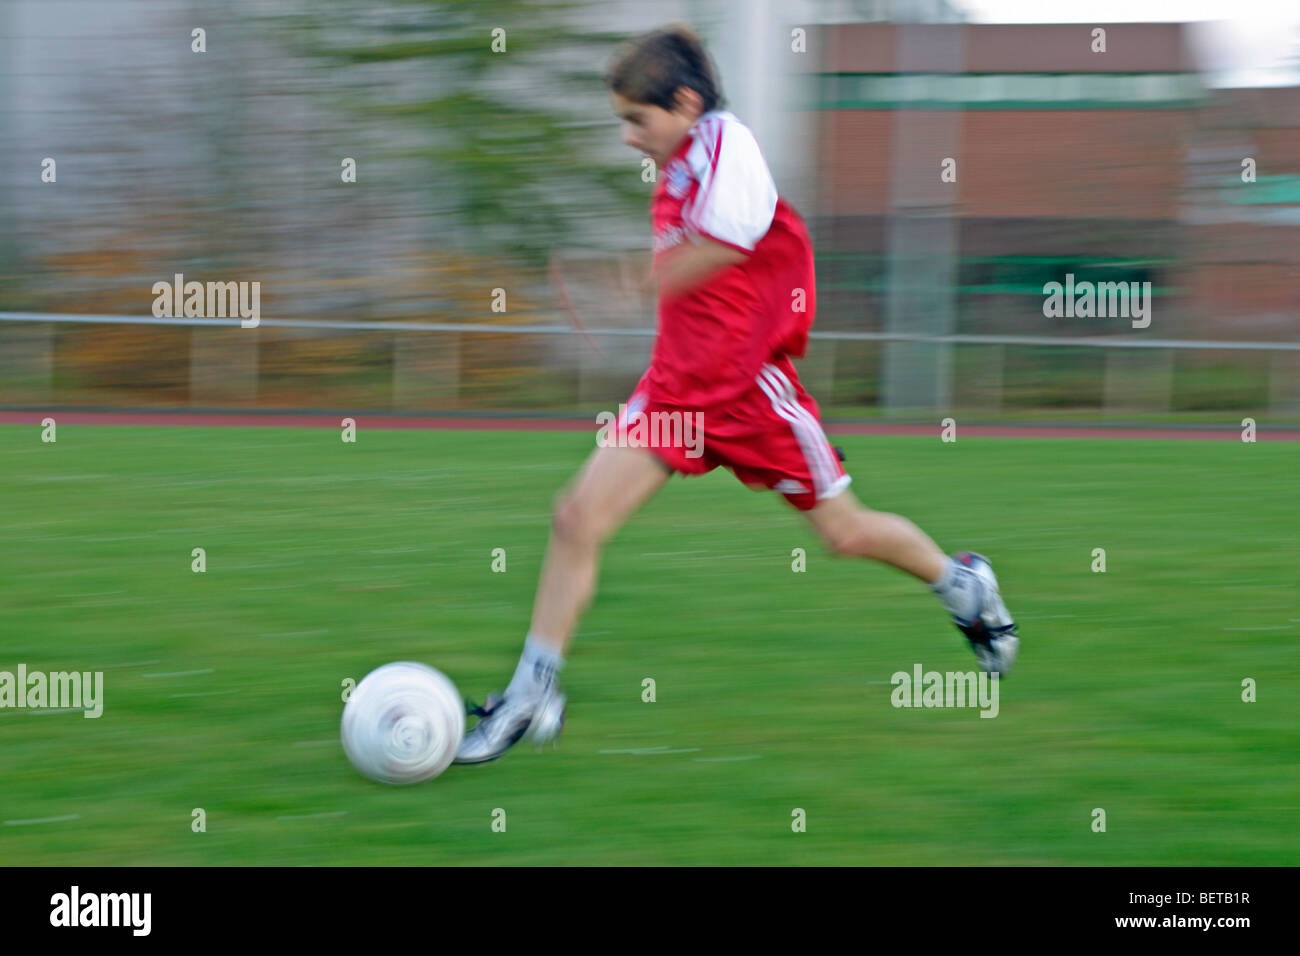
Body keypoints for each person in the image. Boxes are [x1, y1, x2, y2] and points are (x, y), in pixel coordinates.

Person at [453, 25, 1018, 765]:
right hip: (677, 394)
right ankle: (533, 696)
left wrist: (634, 280)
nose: (628, 138)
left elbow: (729, 243)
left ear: (686, 103)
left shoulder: (727, 144)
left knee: (845, 534)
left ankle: (963, 585)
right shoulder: (678, 159)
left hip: (752, 395)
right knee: (575, 517)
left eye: (636, 119)